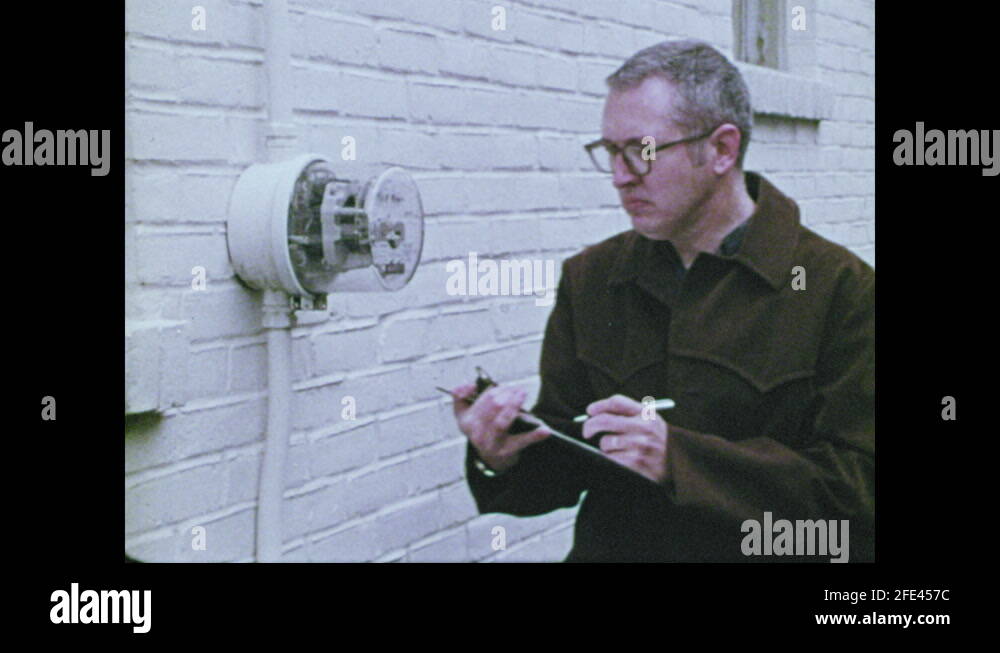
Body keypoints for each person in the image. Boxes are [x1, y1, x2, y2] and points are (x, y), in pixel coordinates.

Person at [450, 39, 874, 562]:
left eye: (643, 150)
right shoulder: (592, 279)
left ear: (722, 148)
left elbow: (857, 503)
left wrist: (680, 460)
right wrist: (501, 454)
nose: (621, 175)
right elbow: (567, 468)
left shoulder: (840, 288)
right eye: (610, 151)